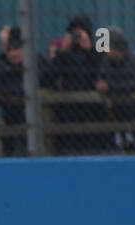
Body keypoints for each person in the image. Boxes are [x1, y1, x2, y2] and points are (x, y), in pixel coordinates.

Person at [44, 14, 108, 152]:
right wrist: (62, 51)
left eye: (80, 33)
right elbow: (48, 78)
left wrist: (89, 49)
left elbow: (102, 72)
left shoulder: (96, 55)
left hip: (92, 114)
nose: (77, 38)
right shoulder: (64, 57)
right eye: (74, 33)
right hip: (67, 114)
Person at [96, 27, 135, 151]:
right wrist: (101, 85)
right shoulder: (106, 62)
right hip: (117, 114)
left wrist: (112, 87)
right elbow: (101, 78)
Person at [0, 26, 27, 155]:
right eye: (10, 50)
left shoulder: (34, 63)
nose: (14, 53)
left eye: (17, 49)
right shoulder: (0, 66)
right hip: (9, 116)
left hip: (30, 116)